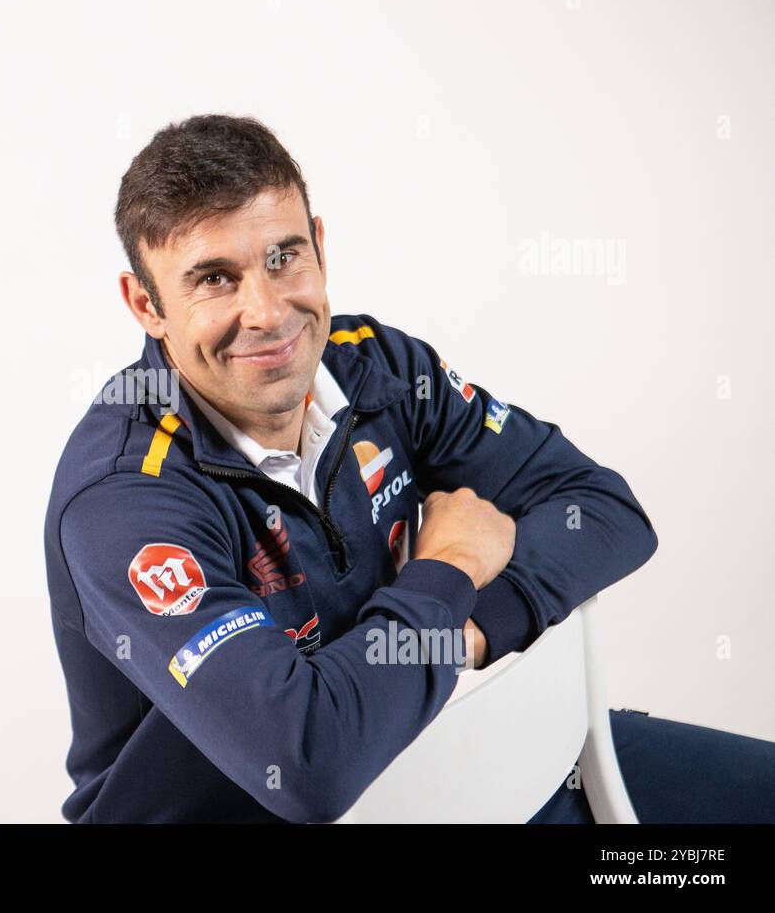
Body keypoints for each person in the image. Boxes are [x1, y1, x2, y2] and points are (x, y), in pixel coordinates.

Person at [42, 113, 775, 823]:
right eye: (214, 279)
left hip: (448, 752)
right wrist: (449, 570)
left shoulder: (379, 369)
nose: (266, 312)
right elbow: (308, 763)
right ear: (147, 303)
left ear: (320, 249)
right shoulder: (124, 499)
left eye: (282, 257)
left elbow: (603, 510)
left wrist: (459, 637)